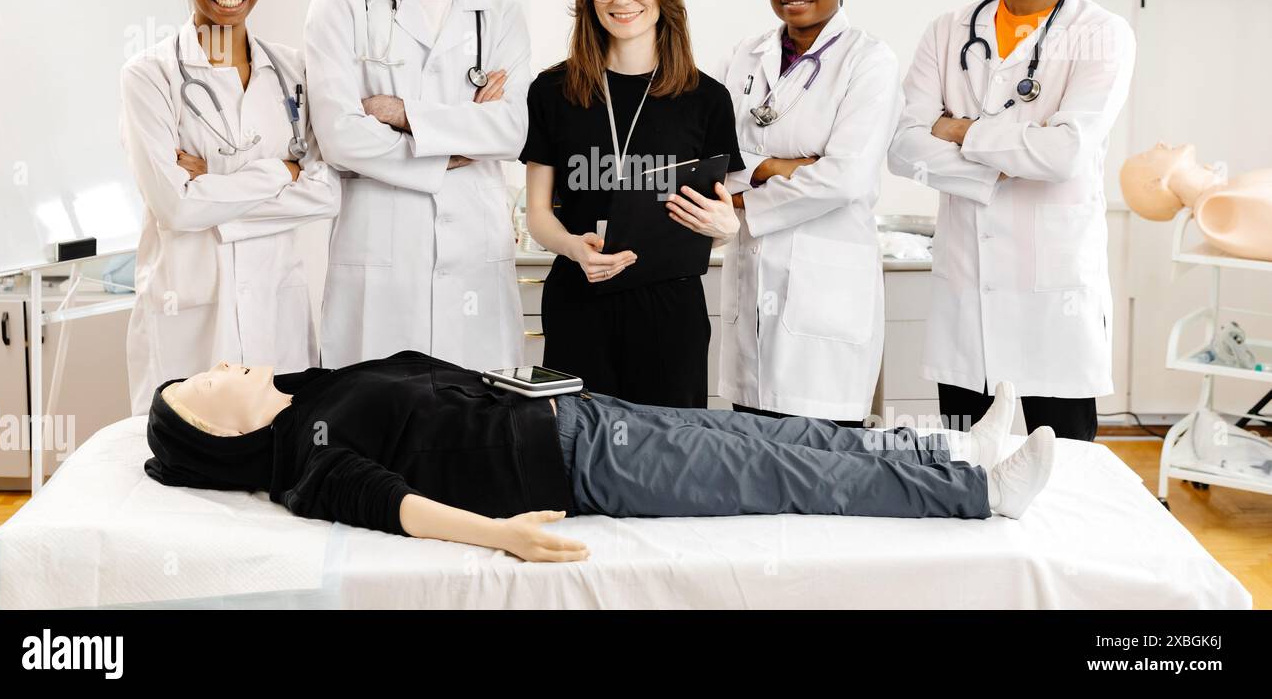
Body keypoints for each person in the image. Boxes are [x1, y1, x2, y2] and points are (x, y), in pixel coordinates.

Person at [144, 352, 1057, 562]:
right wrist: (501, 537)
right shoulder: (305, 457)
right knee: (776, 474)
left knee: (764, 430)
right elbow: (393, 506)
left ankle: (944, 445)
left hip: (572, 410)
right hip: (580, 466)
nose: (221, 364)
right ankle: (980, 492)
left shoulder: (306, 390)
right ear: (219, 433)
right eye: (204, 383)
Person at [887, 0, 1136, 442]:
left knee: (1067, 472)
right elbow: (902, 147)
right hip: (966, 293)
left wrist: (960, 130)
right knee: (959, 464)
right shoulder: (949, 30)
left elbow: (1065, 155)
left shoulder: (1103, 34)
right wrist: (999, 169)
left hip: (1055, 300)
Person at [304, 0, 527, 371]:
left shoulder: (500, 16)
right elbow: (340, 139)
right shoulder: (339, 6)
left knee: (478, 436)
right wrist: (456, 143)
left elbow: (512, 130)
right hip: (380, 261)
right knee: (374, 435)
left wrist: (402, 114)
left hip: (474, 258)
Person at [119, 0, 340, 416]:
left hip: (275, 304)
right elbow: (175, 208)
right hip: (190, 308)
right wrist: (282, 171)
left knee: (277, 459)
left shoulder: (294, 71)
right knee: (184, 458)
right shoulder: (149, 76)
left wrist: (214, 183)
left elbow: (327, 191)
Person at [520, 0, 744, 408]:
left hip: (670, 313)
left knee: (669, 463)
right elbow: (539, 214)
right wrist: (574, 248)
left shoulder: (707, 99)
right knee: (576, 456)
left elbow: (722, 218)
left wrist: (727, 226)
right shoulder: (552, 92)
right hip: (579, 302)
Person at [711, 0, 902, 423]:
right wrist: (782, 167)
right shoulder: (742, 57)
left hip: (827, 300)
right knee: (751, 460)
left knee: (820, 467)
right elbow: (713, 156)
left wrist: (749, 185)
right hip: (750, 288)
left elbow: (844, 179)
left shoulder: (869, 61)